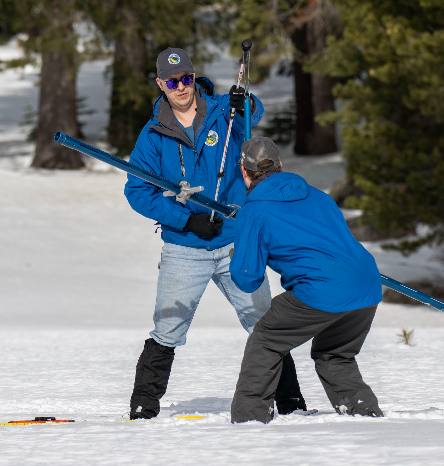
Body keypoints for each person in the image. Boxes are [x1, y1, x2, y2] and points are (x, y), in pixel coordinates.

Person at [124, 48, 308, 420]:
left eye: (186, 78)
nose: (181, 87)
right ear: (161, 84)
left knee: (263, 322)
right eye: (172, 82)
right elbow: (137, 191)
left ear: (194, 77)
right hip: (184, 247)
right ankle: (144, 406)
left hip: (236, 242)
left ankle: (290, 403)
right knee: (168, 326)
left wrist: (245, 100)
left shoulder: (225, 111)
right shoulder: (153, 134)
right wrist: (184, 220)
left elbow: (254, 113)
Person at [228, 137, 384, 424]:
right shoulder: (320, 196)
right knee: (334, 354)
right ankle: (363, 413)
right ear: (281, 165)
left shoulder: (254, 210)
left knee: (265, 340)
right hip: (367, 285)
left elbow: (247, 277)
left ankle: (249, 418)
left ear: (244, 170)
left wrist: (238, 252)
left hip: (322, 290)